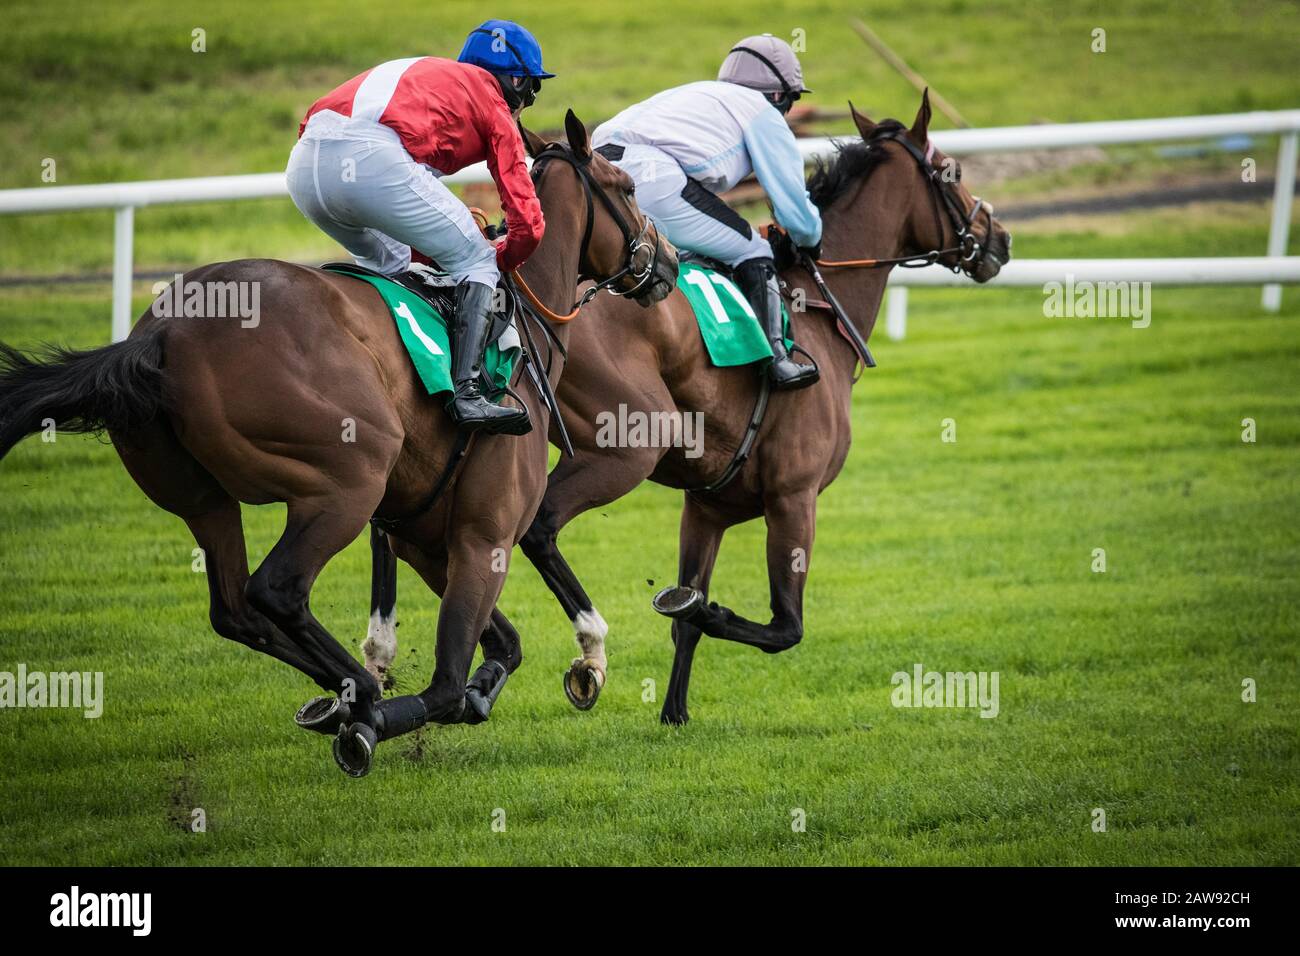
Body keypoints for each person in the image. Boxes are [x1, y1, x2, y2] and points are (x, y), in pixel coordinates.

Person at [286, 19, 553, 433]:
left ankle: (381, 379)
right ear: (516, 80)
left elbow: (418, 237)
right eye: (532, 89)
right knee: (477, 261)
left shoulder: (432, 75)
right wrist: (497, 255)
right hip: (373, 162)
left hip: (304, 168)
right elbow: (529, 225)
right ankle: (467, 395)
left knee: (394, 268)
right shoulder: (490, 100)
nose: (528, 102)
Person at [592, 33, 821, 390]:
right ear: (778, 95)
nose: (786, 112)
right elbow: (795, 214)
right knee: (753, 247)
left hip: (597, 173)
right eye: (788, 103)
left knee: (693, 247)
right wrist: (813, 239)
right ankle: (777, 359)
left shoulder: (703, 95)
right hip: (650, 177)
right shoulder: (762, 112)